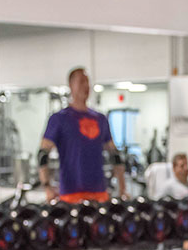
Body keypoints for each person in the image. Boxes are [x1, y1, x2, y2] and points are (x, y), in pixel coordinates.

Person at [38, 67, 128, 203]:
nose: (85, 86)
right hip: (71, 194)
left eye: (87, 82)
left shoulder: (101, 119)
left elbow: (115, 155)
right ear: (70, 86)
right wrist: (47, 187)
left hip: (99, 193)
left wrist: (122, 188)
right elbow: (42, 154)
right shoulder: (59, 119)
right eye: (81, 82)